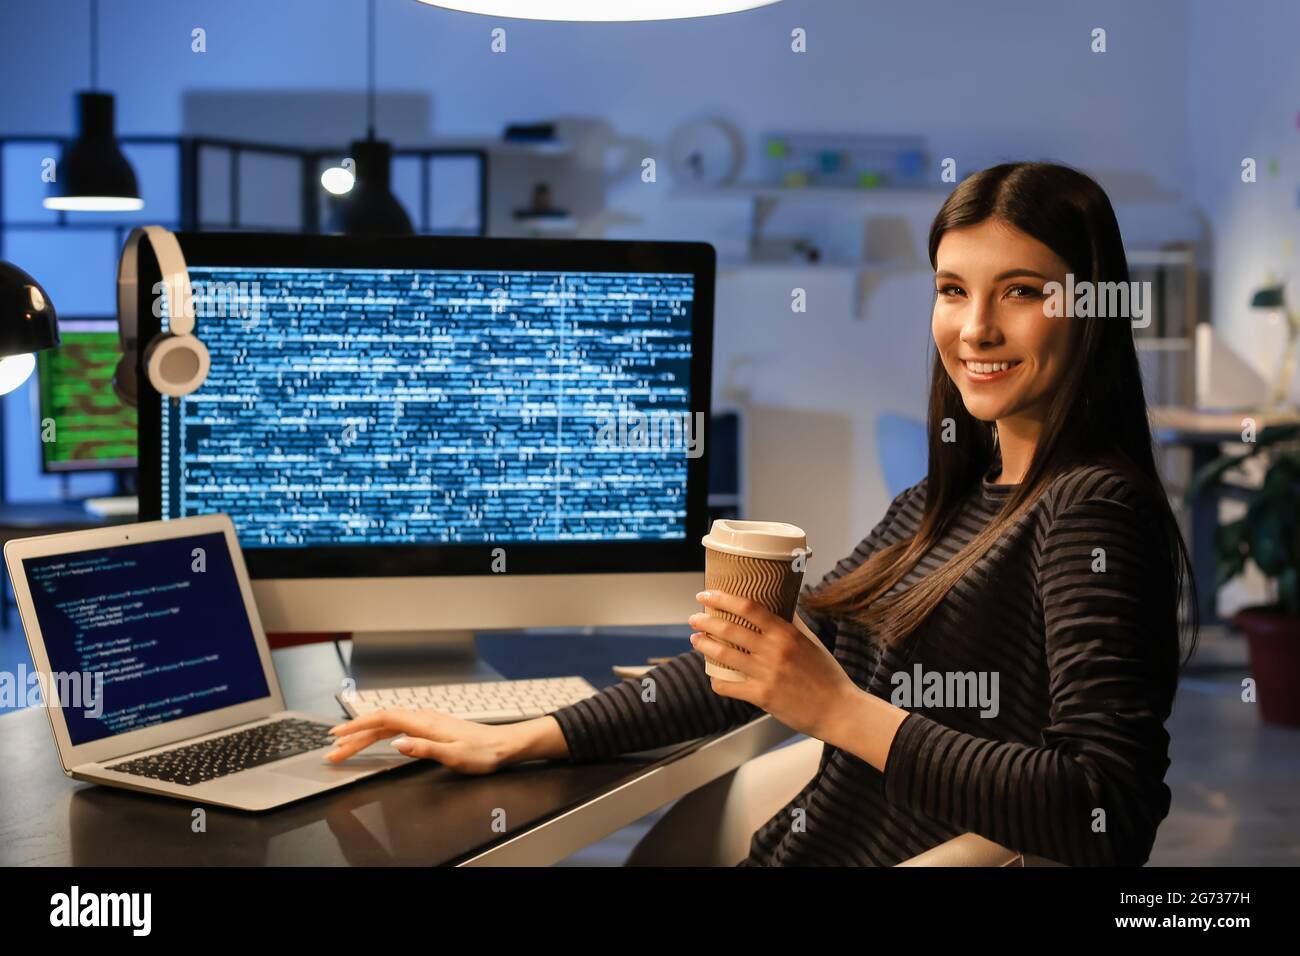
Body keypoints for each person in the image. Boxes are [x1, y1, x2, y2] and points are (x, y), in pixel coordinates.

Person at [326, 161, 1198, 867]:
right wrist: (521, 738)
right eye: (951, 289)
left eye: (1020, 291)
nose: (974, 329)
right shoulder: (937, 508)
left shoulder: (1091, 509)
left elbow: (1106, 807)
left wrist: (840, 710)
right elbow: (749, 660)